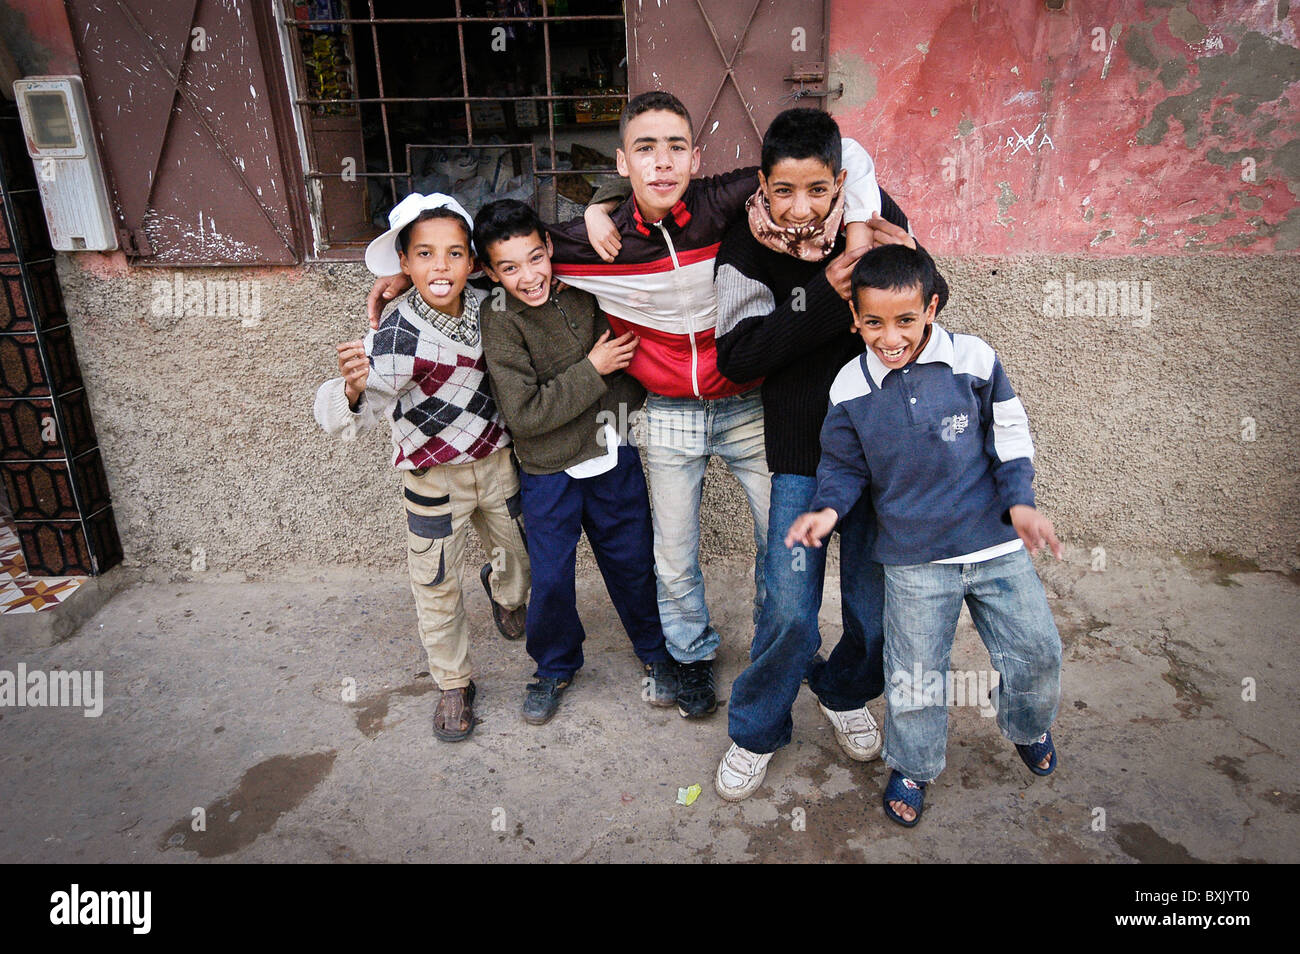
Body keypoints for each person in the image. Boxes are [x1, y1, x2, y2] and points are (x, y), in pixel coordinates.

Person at [367, 91, 885, 719]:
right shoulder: (592, 245)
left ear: (695, 158)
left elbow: (838, 154)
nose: (662, 164)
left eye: (675, 149)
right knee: (670, 554)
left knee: (780, 545)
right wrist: (413, 275)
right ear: (622, 161)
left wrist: (856, 231)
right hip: (665, 408)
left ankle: (778, 649)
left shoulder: (729, 204)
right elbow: (508, 254)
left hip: (750, 403)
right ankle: (691, 659)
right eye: (645, 150)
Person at [710, 107, 944, 799]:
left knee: (877, 612)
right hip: (801, 454)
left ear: (840, 180)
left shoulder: (873, 217)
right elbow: (738, 353)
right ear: (762, 184)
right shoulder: (746, 244)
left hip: (882, 458)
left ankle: (842, 689)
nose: (801, 207)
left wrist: (882, 272)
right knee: (788, 608)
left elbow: (933, 298)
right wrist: (823, 294)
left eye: (817, 189)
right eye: (784, 190)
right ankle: (756, 729)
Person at [786, 243, 1063, 826]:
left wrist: (1021, 505)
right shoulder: (849, 388)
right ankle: (912, 764)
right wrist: (828, 511)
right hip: (913, 558)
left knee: (1037, 649)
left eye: (906, 320)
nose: (890, 337)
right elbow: (842, 466)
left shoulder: (975, 361)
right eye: (874, 323)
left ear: (931, 308)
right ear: (855, 318)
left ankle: (1027, 723)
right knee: (914, 674)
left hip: (993, 544)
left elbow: (1009, 434)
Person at [315, 192, 530, 743]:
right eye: (426, 255)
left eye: (455, 253)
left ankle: (505, 594)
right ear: (404, 264)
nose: (441, 266)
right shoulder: (393, 335)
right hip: (433, 480)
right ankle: (454, 682)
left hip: (498, 461)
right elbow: (345, 417)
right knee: (435, 581)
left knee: (519, 553)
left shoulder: (491, 301)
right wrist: (352, 389)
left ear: (473, 261)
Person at [473, 198, 676, 724]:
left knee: (633, 564)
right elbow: (524, 414)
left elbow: (631, 191)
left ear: (549, 248)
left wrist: (592, 209)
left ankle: (655, 652)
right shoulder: (499, 319)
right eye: (509, 268)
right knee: (553, 578)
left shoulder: (584, 286)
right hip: (547, 474)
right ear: (490, 273)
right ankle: (555, 665)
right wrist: (593, 368)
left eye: (536, 258)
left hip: (613, 457)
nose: (528, 276)